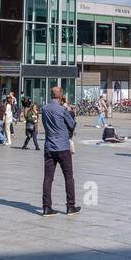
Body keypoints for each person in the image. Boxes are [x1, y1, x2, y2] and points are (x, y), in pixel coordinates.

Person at [39, 87, 79, 217]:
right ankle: (70, 206)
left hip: (49, 146)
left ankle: (46, 207)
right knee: (68, 177)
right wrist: (69, 111)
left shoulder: (44, 109)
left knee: (48, 178)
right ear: (61, 96)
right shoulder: (62, 110)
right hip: (62, 147)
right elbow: (72, 125)